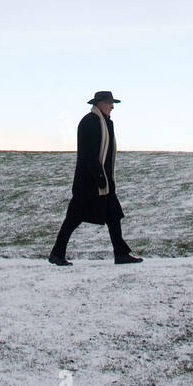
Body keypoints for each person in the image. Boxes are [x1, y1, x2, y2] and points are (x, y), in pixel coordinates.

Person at [48, 91, 142, 265]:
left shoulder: (106, 123)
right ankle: (57, 254)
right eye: (109, 103)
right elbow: (88, 154)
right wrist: (99, 176)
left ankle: (121, 254)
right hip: (89, 182)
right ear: (100, 103)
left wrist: (107, 179)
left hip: (104, 181)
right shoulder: (89, 122)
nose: (112, 107)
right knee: (74, 217)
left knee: (114, 215)